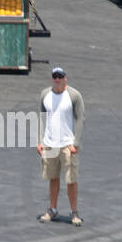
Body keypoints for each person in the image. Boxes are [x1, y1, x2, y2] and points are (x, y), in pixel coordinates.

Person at [36, 66, 85, 226]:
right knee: (53, 178)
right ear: (52, 78)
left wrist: (76, 143)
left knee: (71, 180)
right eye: (55, 76)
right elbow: (41, 118)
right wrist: (39, 141)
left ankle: (74, 212)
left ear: (65, 78)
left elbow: (80, 119)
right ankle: (53, 210)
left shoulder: (74, 95)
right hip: (50, 144)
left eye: (60, 76)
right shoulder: (45, 95)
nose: (57, 79)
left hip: (67, 145)